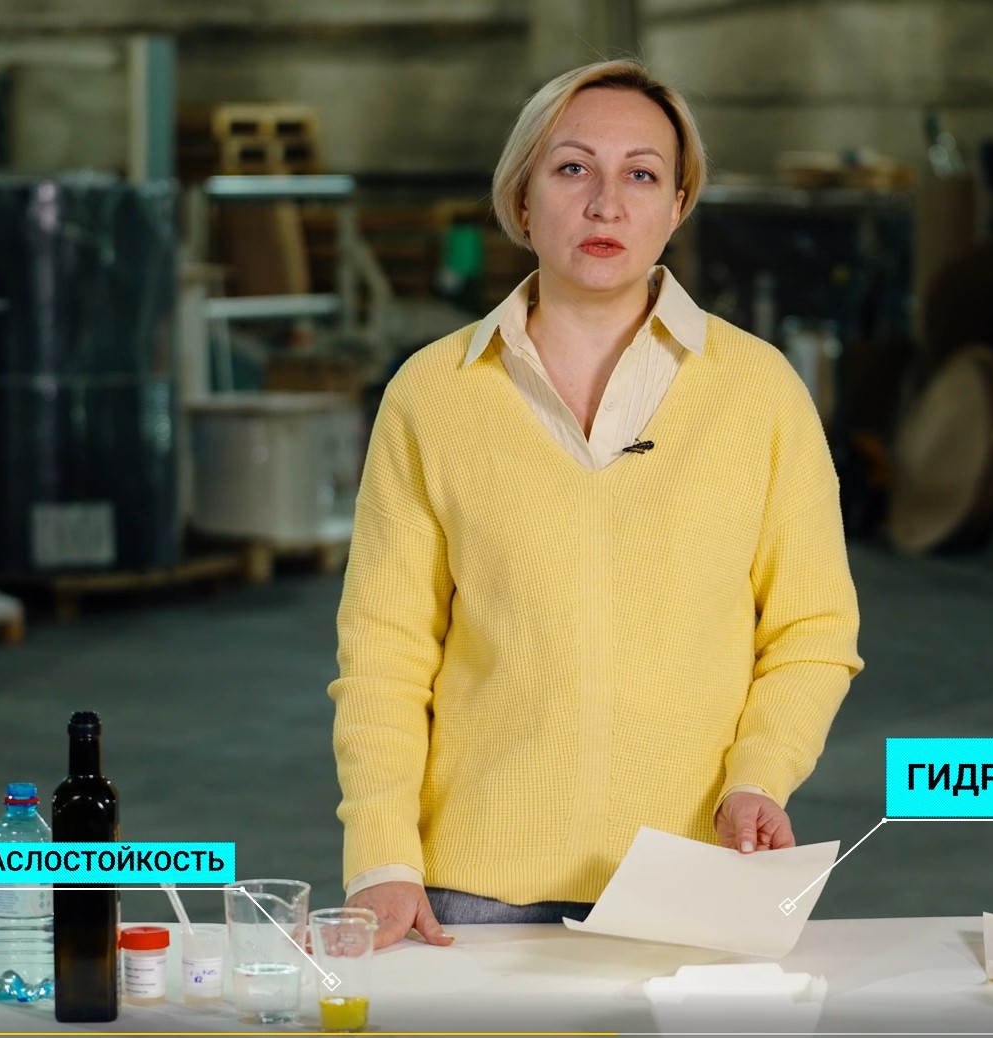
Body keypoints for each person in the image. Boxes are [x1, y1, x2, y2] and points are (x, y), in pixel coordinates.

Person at [330, 58, 863, 949]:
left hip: (694, 874)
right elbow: (384, 650)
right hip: (469, 895)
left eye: (641, 175)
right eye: (573, 168)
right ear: (523, 196)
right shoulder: (432, 394)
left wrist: (759, 776)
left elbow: (811, 630)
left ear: (677, 206)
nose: (606, 204)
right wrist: (380, 856)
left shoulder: (758, 392)